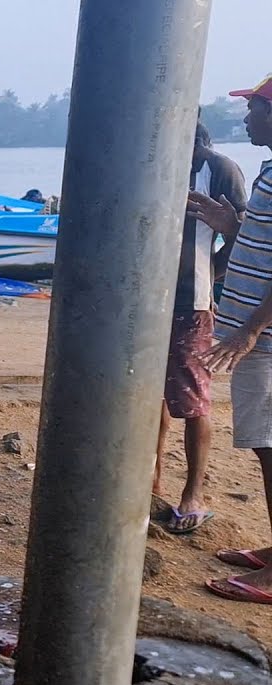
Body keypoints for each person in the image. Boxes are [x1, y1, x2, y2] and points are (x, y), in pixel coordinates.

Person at [188, 74, 272, 604]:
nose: (246, 117)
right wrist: (231, 224)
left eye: (256, 108)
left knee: (270, 448)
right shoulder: (268, 172)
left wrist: (250, 329)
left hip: (265, 339)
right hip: (257, 335)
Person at [150, 122, 247, 535]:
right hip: (147, 301)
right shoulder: (152, 165)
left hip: (192, 303)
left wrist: (212, 275)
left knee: (192, 397)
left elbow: (247, 235)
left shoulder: (219, 170)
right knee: (149, 391)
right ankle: (152, 481)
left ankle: (194, 492)